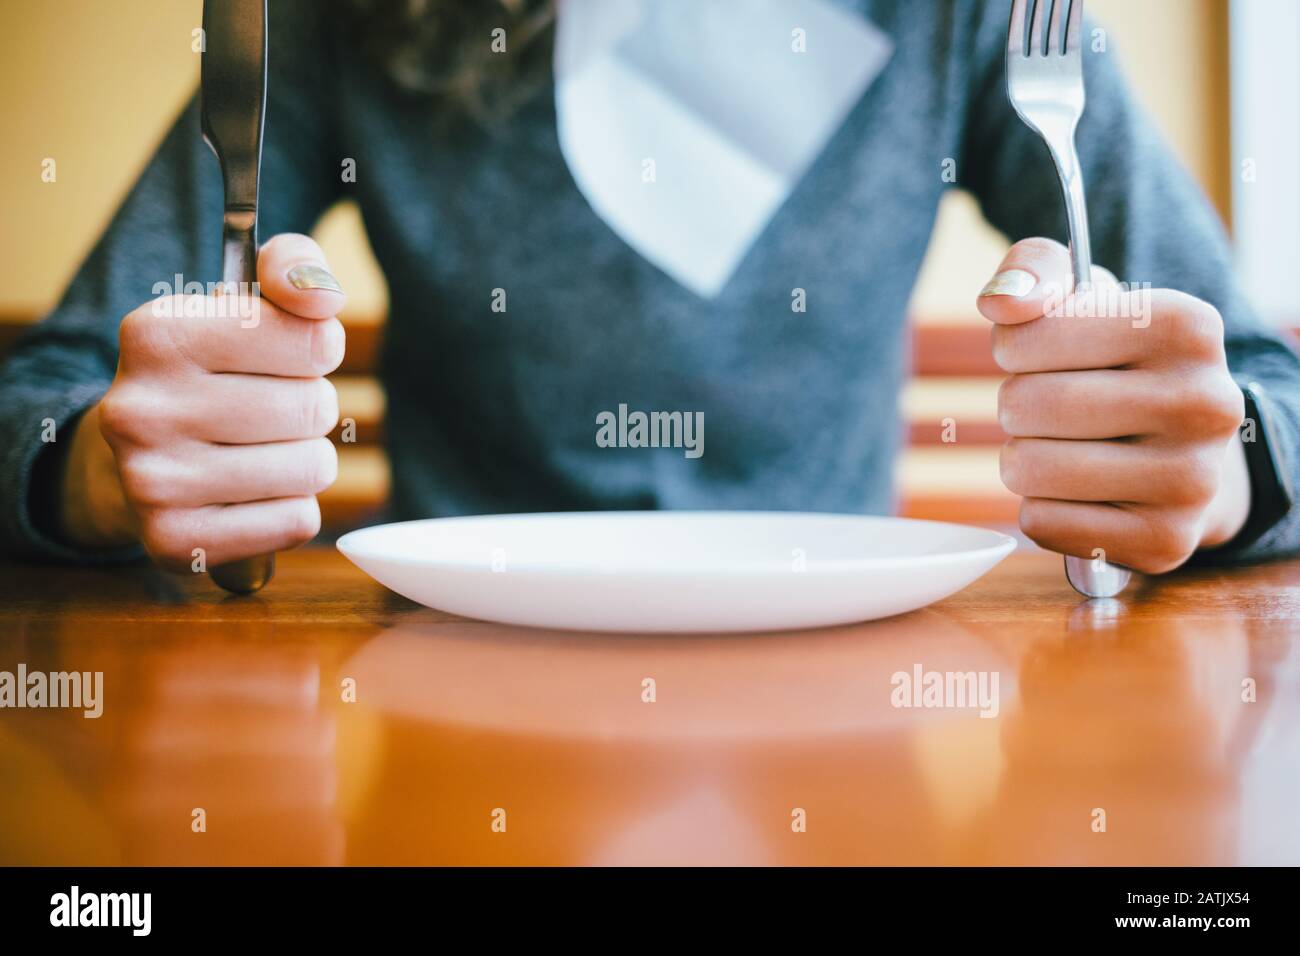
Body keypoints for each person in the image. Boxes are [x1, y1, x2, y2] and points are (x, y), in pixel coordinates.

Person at [0, 0, 1295, 577]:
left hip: (835, 671)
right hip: (451, 674)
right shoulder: (339, 15)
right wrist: (98, 472)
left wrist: (1228, 465)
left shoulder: (976, 11)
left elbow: (1263, 388)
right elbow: (46, 395)